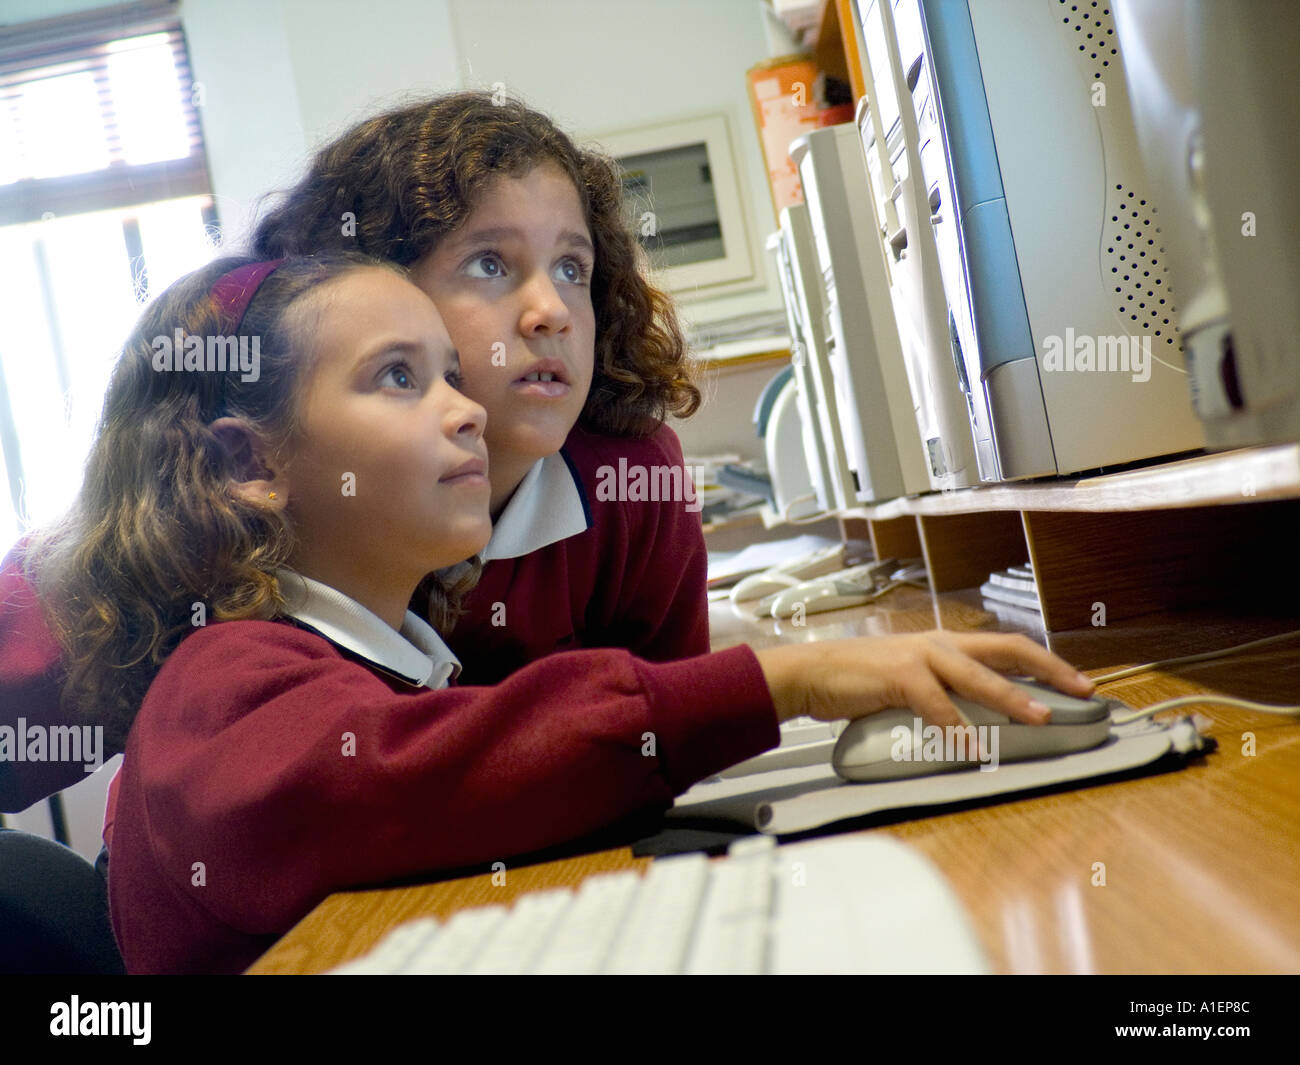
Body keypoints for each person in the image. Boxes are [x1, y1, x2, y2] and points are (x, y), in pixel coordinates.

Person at [26, 252, 1093, 973]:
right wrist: (781, 681)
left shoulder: (384, 657)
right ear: (248, 463)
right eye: (398, 379)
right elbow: (384, 780)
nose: (461, 410)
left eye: (449, 371)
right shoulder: (220, 681)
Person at [1, 90, 702, 810]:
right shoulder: (256, 501)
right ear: (366, 291)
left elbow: (676, 737)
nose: (551, 310)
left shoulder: (629, 477)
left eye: (572, 268)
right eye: (490, 264)